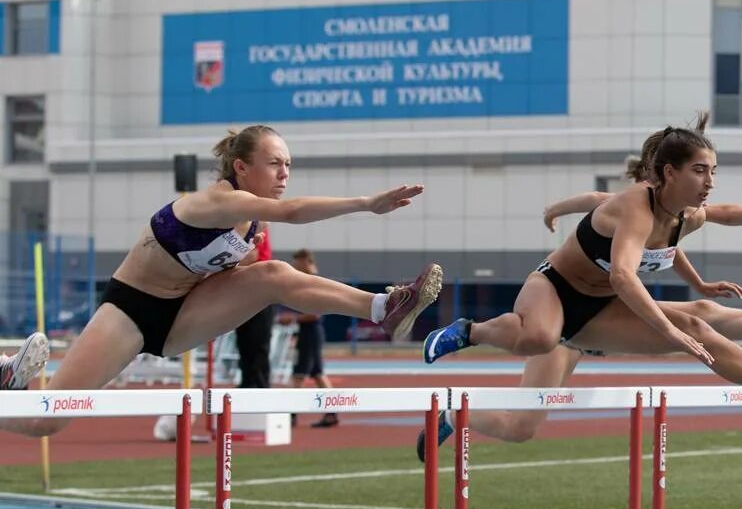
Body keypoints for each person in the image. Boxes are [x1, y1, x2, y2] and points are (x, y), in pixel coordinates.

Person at [422, 114, 742, 442]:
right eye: (701, 171)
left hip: (597, 312)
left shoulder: (684, 218)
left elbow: (730, 213)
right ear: (668, 173)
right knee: (537, 343)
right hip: (554, 289)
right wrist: (555, 209)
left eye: (714, 172)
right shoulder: (635, 206)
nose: (710, 183)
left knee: (698, 322)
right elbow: (626, 276)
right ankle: (468, 332)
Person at [0, 125, 443, 437]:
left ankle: (385, 308)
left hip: (183, 315)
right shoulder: (213, 203)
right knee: (47, 420)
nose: (285, 174)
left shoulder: (252, 227)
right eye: (274, 164)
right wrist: (366, 202)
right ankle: (7, 383)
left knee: (272, 274)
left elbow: (230, 274)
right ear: (241, 168)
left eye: (288, 164)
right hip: (131, 311)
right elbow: (292, 212)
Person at [281, 248, 338, 428]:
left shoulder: (313, 281)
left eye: (297, 262)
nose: (295, 267)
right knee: (318, 374)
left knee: (298, 374)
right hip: (309, 331)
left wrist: (293, 318)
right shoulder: (310, 280)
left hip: (310, 331)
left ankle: (291, 414)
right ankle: (331, 413)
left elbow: (315, 313)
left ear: (306, 260)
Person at [234, 224, 275, 389]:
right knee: (244, 343)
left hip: (260, 291)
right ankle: (247, 383)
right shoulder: (239, 226)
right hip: (244, 291)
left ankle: (259, 386)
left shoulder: (256, 224)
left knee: (258, 344)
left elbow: (252, 256)